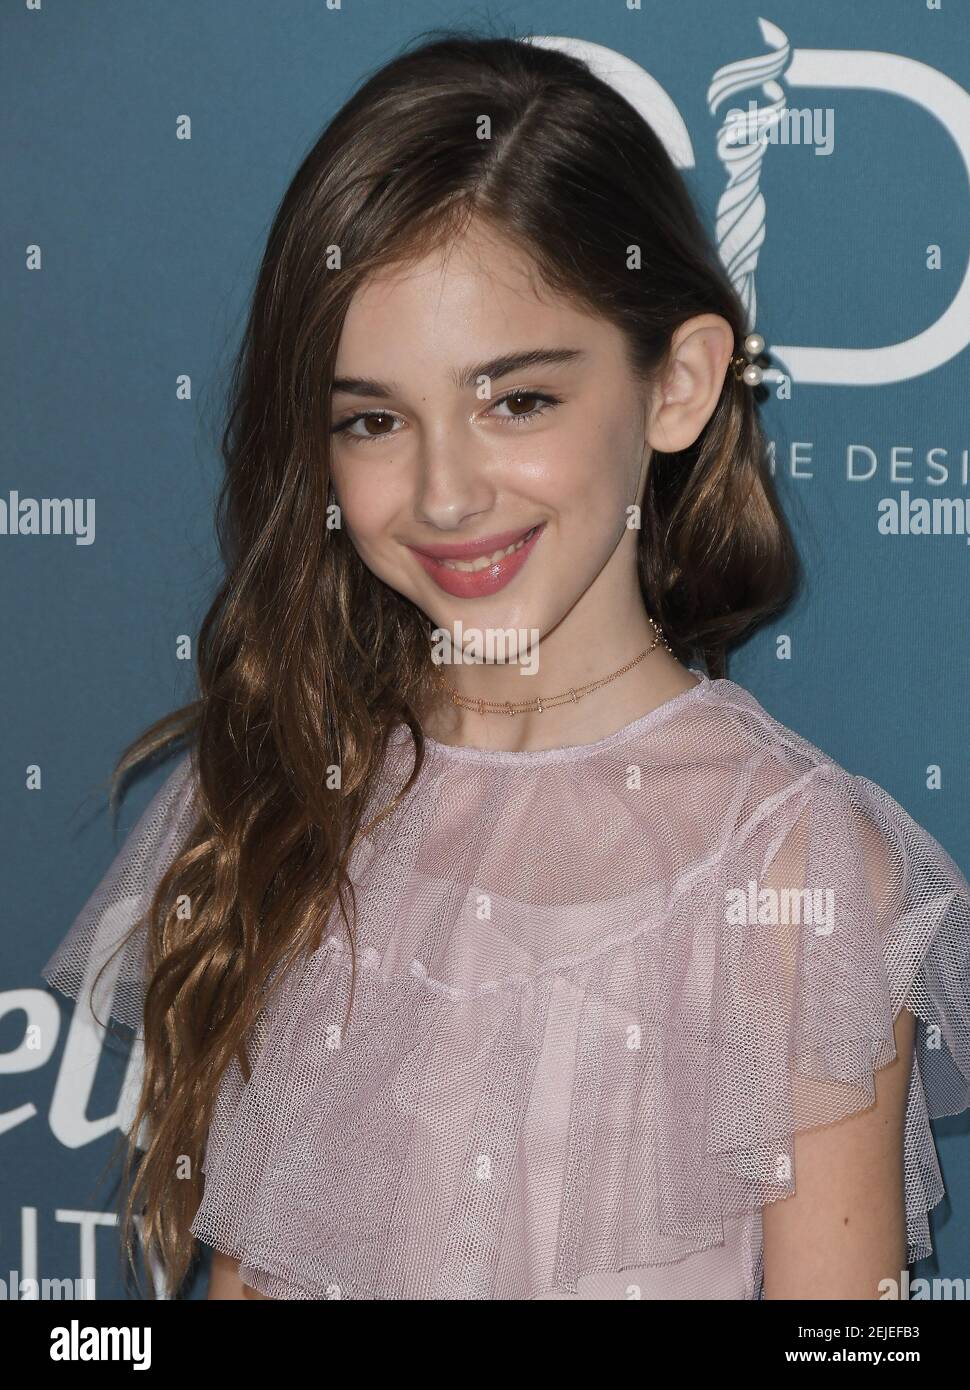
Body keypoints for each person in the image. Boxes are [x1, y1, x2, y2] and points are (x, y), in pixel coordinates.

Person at [41, 31, 970, 1301]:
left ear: (678, 385)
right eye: (372, 419)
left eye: (515, 400)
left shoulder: (792, 867)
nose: (444, 491)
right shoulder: (288, 787)